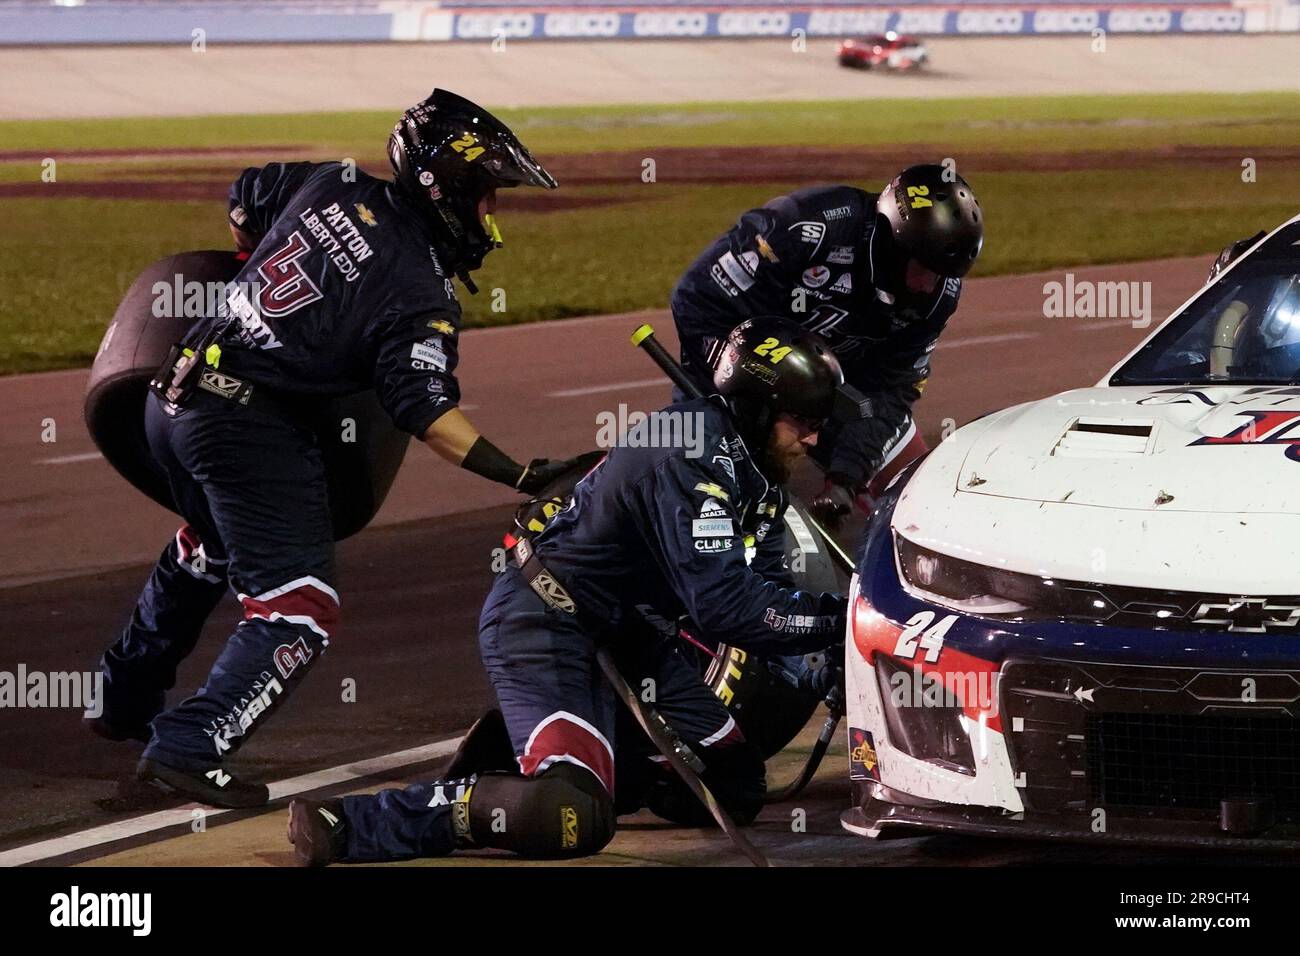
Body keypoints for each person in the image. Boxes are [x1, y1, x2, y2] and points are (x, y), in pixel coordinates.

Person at [91, 89, 580, 808]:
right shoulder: (420, 286)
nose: (489, 214)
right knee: (300, 606)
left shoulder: (336, 182)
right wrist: (519, 472)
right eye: (486, 195)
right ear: (445, 185)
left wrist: (268, 273)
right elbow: (428, 413)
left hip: (173, 395)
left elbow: (247, 197)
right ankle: (191, 745)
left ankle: (123, 695)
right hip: (247, 426)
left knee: (211, 545)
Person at [286, 316, 854, 864]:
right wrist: (848, 618)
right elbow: (726, 608)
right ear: (756, 410)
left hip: (625, 631)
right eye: (802, 420)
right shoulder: (693, 459)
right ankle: (352, 823)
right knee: (571, 817)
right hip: (545, 621)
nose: (814, 435)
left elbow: (772, 588)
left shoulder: (755, 472)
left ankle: (531, 755)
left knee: (733, 785)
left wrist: (826, 652)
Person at [670, 164, 983, 527]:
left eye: (944, 274)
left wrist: (846, 476)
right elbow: (695, 299)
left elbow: (893, 389)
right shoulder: (804, 229)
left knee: (925, 495)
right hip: (742, 380)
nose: (931, 286)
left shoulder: (940, 294)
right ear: (891, 243)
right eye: (924, 267)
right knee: (707, 504)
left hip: (831, 388)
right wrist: (746, 391)